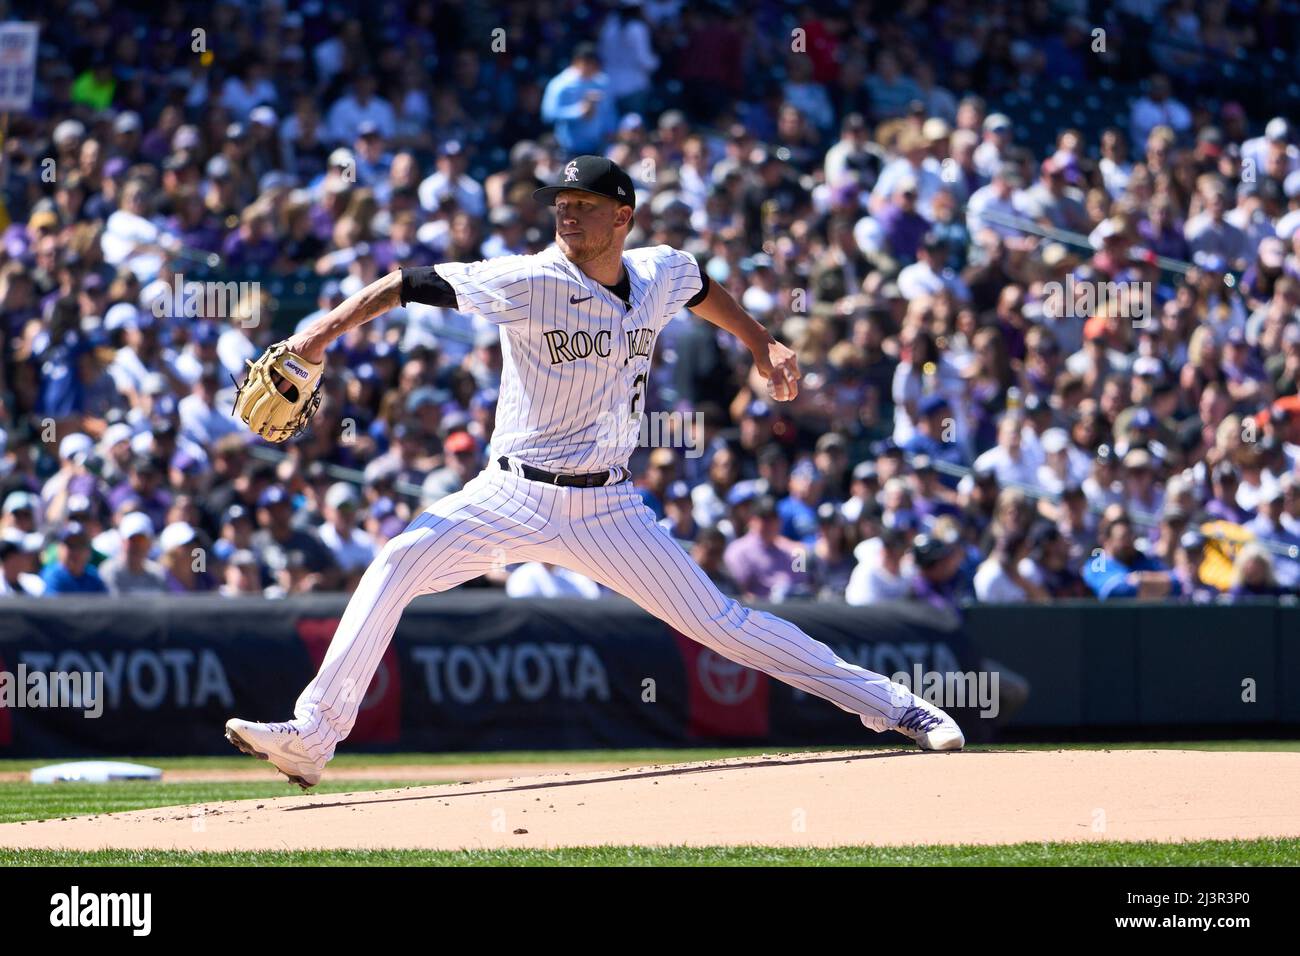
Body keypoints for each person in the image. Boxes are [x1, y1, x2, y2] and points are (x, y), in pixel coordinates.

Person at [226, 155, 964, 787]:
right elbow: (406, 282)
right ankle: (314, 736)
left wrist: (764, 345)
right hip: (510, 494)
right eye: (560, 204)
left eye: (583, 205)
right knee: (395, 561)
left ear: (624, 217)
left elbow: (703, 287)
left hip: (608, 508)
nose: (566, 215)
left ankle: (894, 705)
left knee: (725, 626)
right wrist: (314, 335)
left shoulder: (660, 271)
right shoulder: (529, 280)